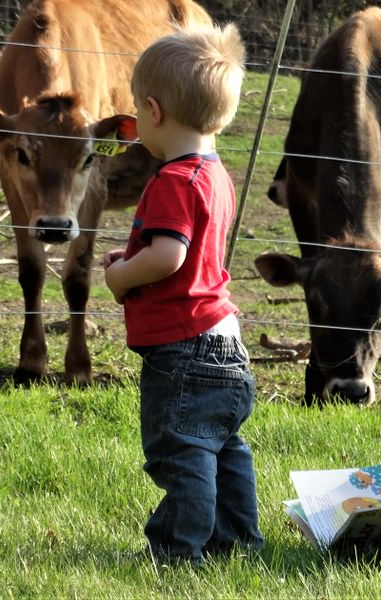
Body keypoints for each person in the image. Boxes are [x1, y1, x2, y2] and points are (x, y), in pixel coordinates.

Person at [103, 24, 264, 566]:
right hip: (226, 340)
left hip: (185, 345)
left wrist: (122, 274)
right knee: (224, 447)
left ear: (152, 110)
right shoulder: (216, 174)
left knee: (183, 450)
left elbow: (168, 257)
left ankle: (177, 550)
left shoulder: (173, 179)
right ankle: (237, 541)